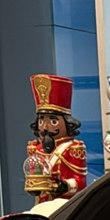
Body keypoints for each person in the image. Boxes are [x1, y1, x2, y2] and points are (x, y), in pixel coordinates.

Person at [25, 74, 89, 204]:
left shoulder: (73, 149)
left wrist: (65, 186)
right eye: (42, 120)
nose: (46, 127)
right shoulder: (35, 149)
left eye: (53, 121)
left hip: (65, 205)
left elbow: (80, 182)